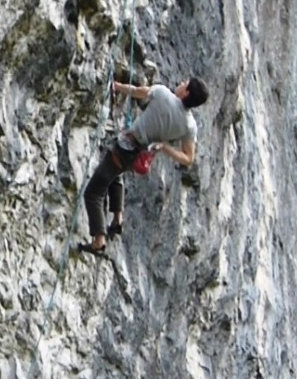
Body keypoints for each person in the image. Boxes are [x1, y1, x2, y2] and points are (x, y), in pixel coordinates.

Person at [78, 76, 210, 255]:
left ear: (186, 92)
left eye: (184, 84)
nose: (179, 83)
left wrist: (117, 86)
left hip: (126, 146)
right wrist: (165, 148)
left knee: (93, 193)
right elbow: (188, 158)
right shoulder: (189, 126)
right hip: (139, 156)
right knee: (117, 173)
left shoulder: (163, 94)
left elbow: (139, 92)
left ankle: (99, 241)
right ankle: (117, 220)